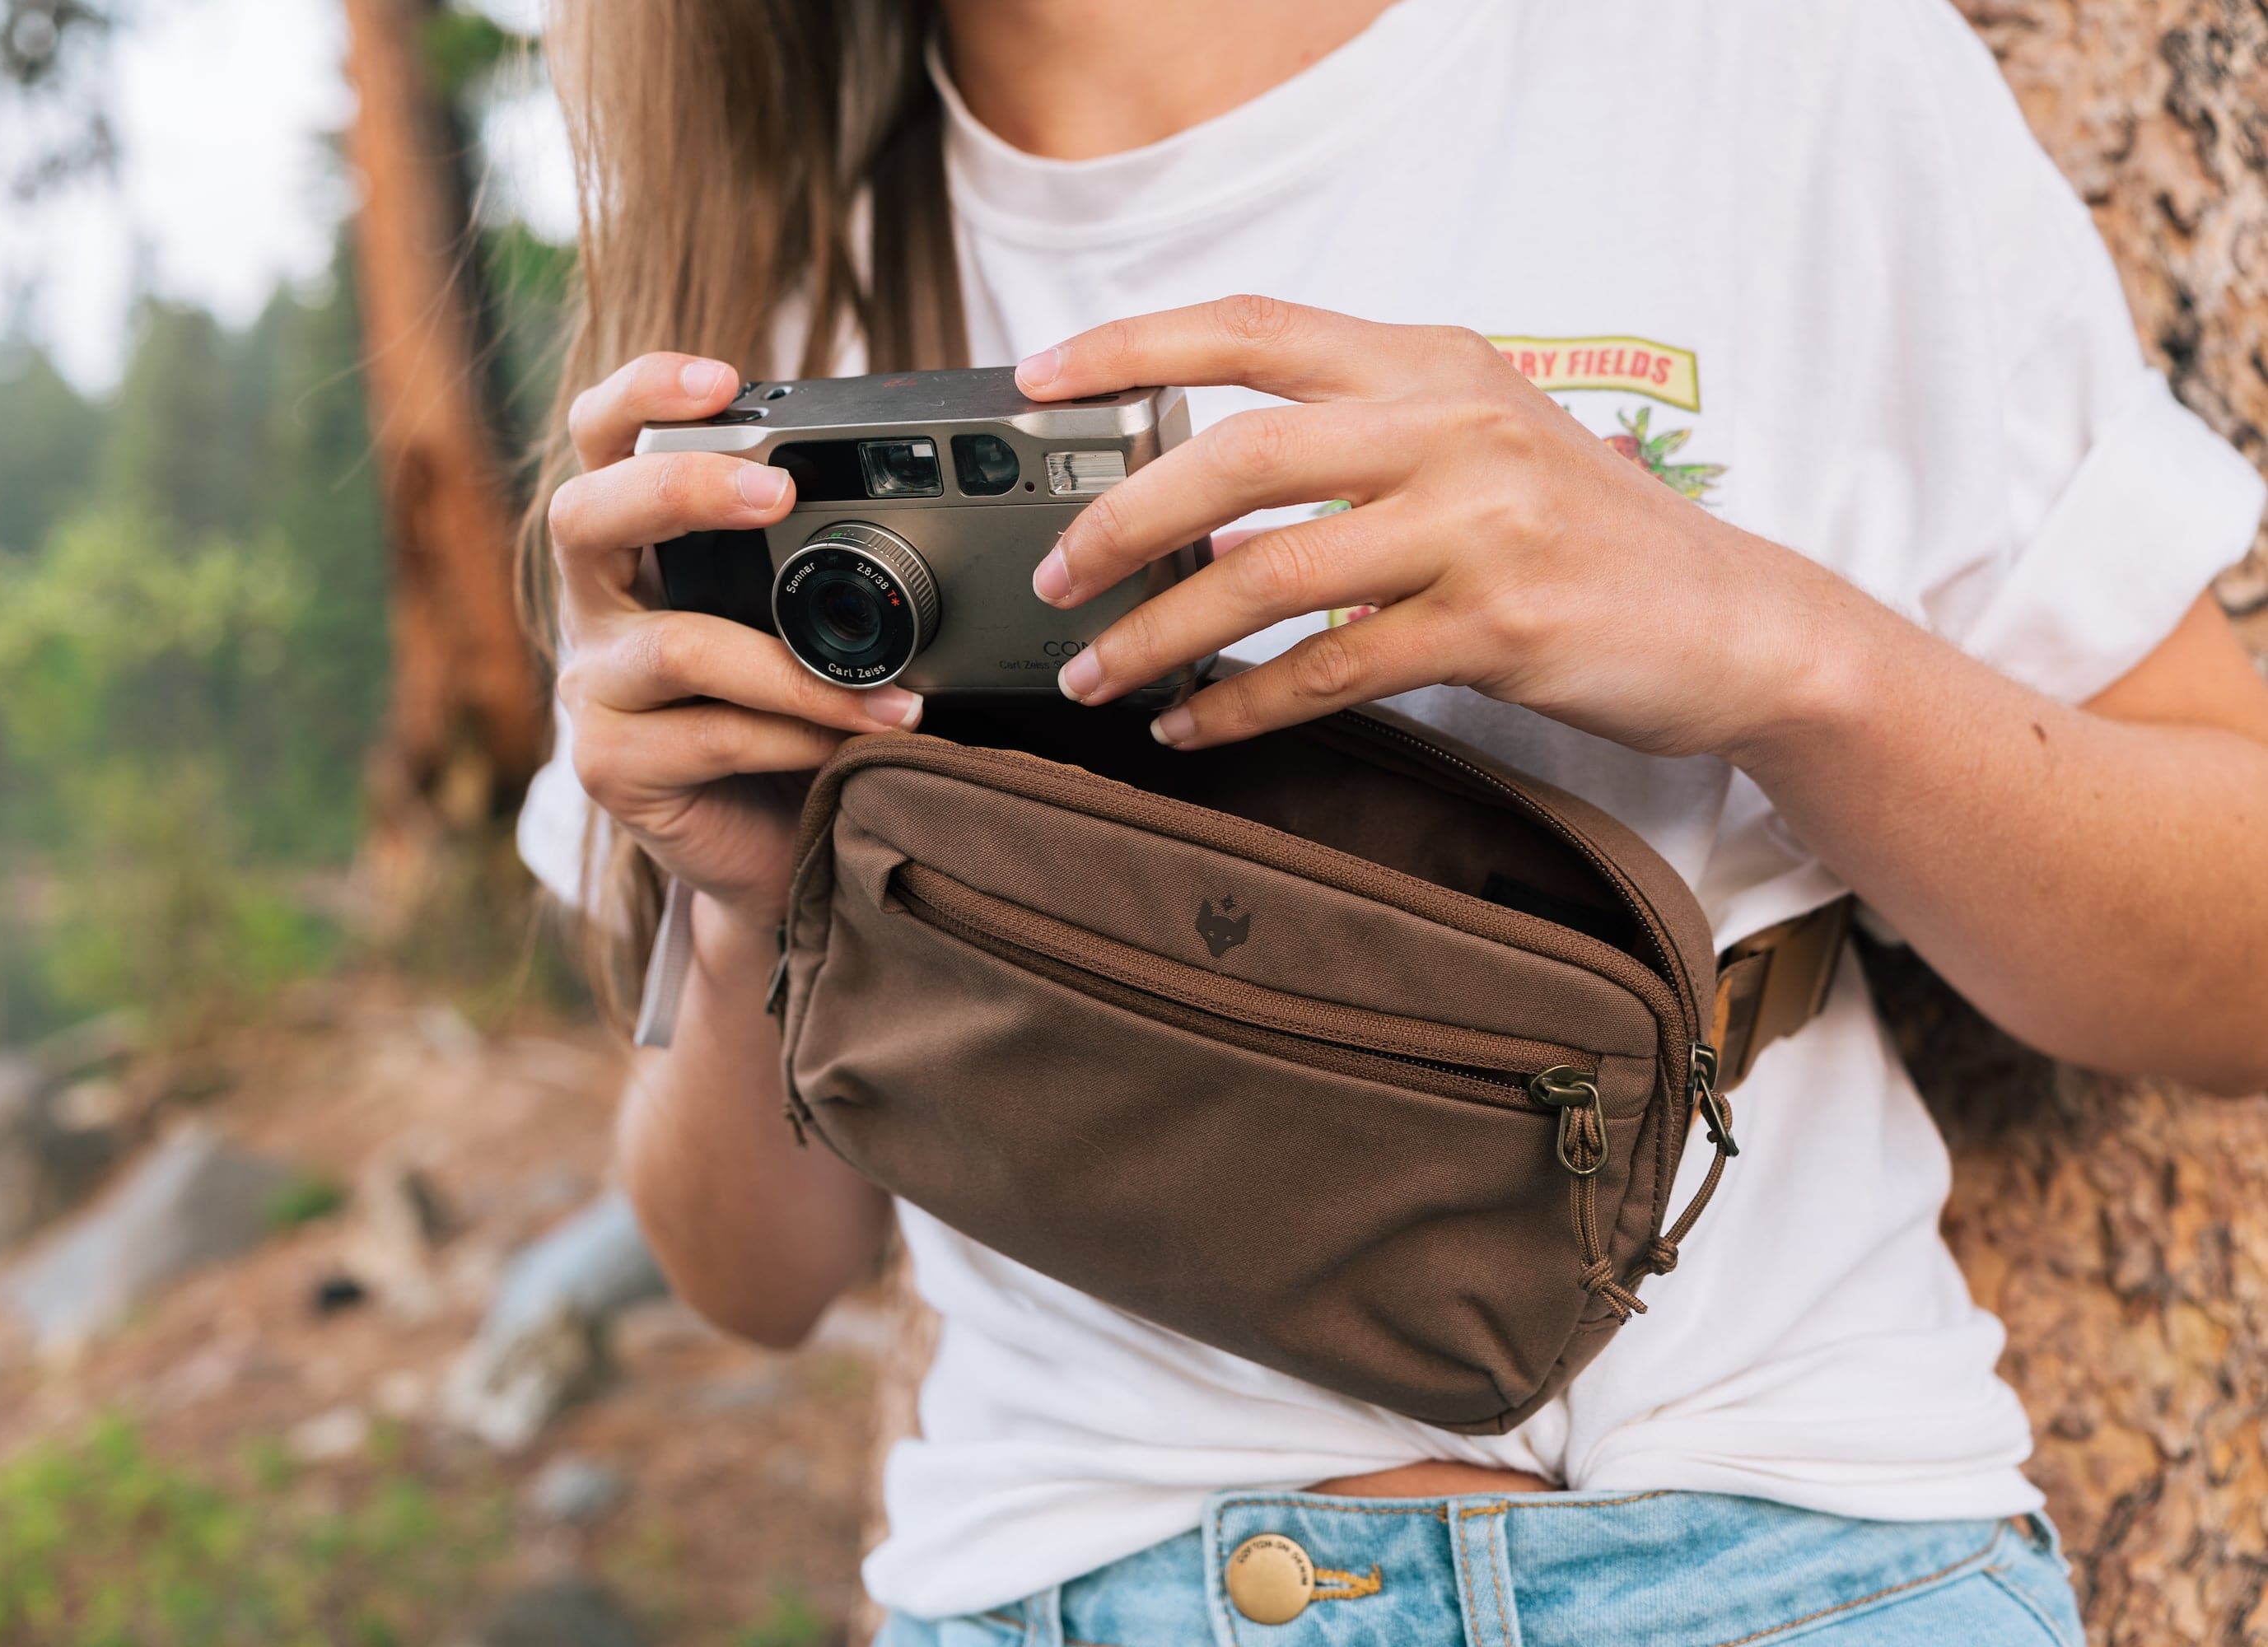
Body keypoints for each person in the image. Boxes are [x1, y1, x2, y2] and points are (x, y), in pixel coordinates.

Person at [518, 2, 2268, 1641]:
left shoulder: (1759, 62)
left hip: (1783, 1540)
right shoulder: (741, 316)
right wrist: (753, 909)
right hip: (1065, 1571)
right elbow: (746, 1271)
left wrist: (1771, 645)